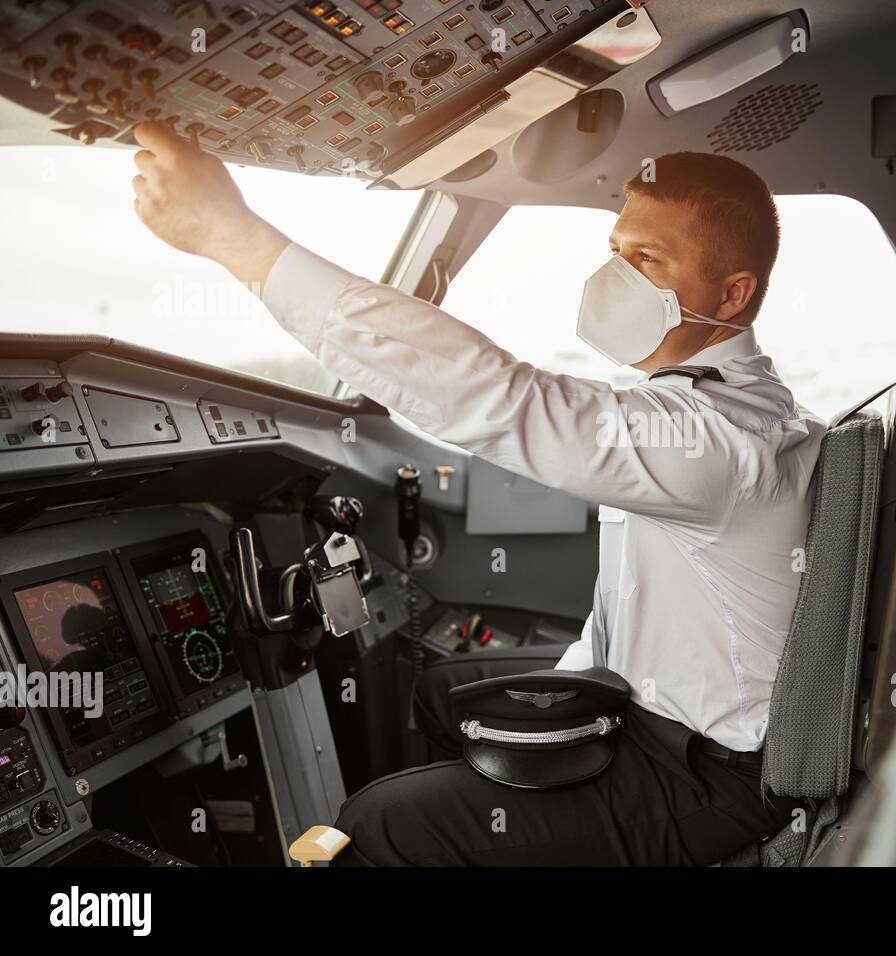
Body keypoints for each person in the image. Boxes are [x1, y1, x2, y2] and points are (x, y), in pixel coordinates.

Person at [131, 122, 825, 865]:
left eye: (648, 259)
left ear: (733, 292)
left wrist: (234, 238)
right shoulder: (725, 404)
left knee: (372, 825)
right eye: (616, 252)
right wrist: (561, 698)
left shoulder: (716, 440)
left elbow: (503, 400)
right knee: (441, 692)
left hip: (704, 776)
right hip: (661, 708)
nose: (618, 275)